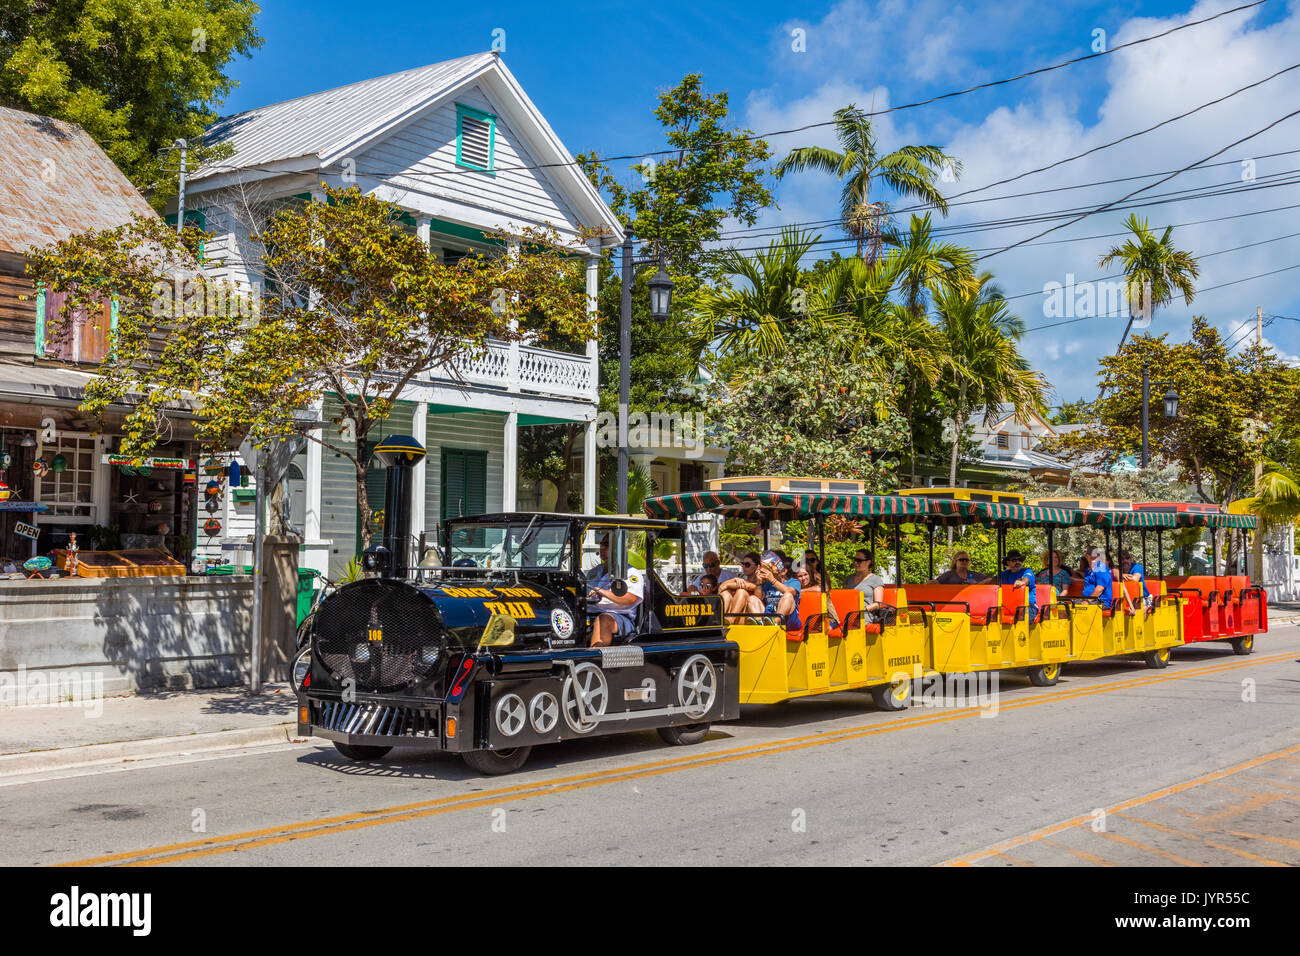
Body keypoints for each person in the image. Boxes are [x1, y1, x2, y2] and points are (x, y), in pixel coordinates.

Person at [587, 548, 644, 648]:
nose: (602, 548)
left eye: (606, 545)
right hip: (588, 613)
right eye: (601, 544)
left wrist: (603, 592)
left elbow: (631, 598)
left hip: (619, 616)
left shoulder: (631, 573)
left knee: (603, 619)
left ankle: (595, 656)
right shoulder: (593, 572)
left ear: (616, 546)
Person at [842, 548, 888, 624]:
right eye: (854, 560)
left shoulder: (875, 579)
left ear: (868, 562)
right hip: (847, 613)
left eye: (859, 561)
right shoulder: (848, 578)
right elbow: (844, 597)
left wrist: (862, 609)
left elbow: (878, 604)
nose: (855, 563)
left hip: (864, 616)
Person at [719, 552, 765, 616]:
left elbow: (751, 587)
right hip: (738, 616)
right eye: (742, 564)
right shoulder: (740, 580)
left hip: (750, 616)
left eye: (747, 564)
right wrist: (734, 579)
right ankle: (720, 619)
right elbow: (721, 588)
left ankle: (731, 619)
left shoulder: (762, 581)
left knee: (741, 591)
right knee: (725, 593)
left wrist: (728, 585)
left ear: (757, 567)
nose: (743, 567)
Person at [999, 550, 1037, 623]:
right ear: (1008, 562)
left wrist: (1022, 582)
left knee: (1022, 617)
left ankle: (1022, 634)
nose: (1018, 562)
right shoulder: (1005, 574)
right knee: (991, 614)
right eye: (1014, 560)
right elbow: (991, 581)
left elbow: (1026, 580)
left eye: (1019, 560)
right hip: (1008, 606)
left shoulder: (1027, 571)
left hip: (1028, 605)